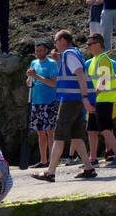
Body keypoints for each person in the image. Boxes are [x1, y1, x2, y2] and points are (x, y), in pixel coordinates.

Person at [32, 29, 97, 181]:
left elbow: (79, 73)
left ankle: (50, 172)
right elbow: (73, 73)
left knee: (59, 135)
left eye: (56, 41)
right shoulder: (74, 53)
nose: (54, 44)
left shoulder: (69, 54)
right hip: (75, 99)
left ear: (63, 41)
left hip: (70, 100)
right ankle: (89, 168)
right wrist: (57, 60)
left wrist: (85, 97)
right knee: (76, 135)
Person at [85, 32, 116, 165]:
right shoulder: (94, 60)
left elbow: (104, 81)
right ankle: (93, 158)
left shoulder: (103, 59)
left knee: (105, 129)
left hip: (103, 99)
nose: (88, 47)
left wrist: (92, 95)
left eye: (90, 44)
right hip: (96, 100)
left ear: (98, 44)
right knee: (91, 130)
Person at [26, 40, 60, 168]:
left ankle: (53, 160)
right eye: (36, 50)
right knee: (40, 132)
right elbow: (29, 83)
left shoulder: (51, 63)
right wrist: (30, 77)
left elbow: (53, 83)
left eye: (40, 50)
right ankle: (43, 160)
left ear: (46, 50)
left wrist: (37, 76)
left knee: (50, 131)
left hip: (49, 101)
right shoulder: (33, 63)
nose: (38, 53)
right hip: (36, 101)